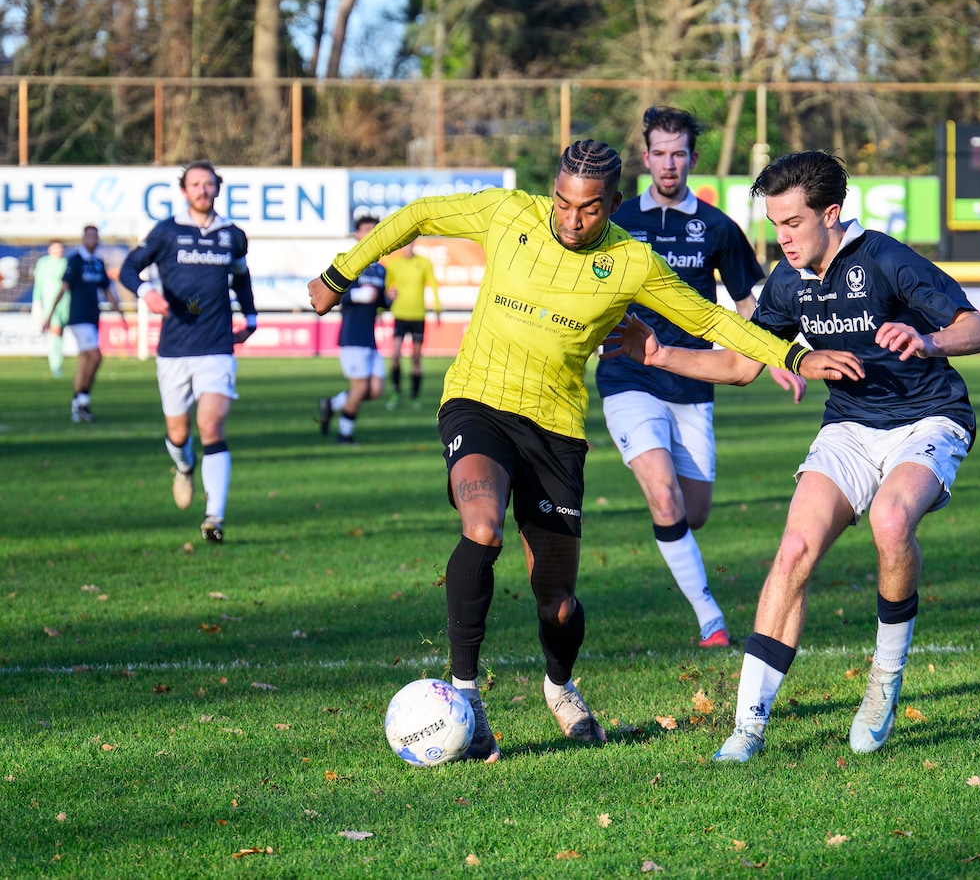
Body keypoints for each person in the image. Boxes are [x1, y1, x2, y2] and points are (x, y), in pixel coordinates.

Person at [307, 139, 861, 762]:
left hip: (555, 431)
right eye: (563, 204)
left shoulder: (632, 262)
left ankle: (560, 685)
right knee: (483, 529)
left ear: (613, 206)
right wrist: (339, 272)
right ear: (552, 193)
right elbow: (418, 215)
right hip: (477, 402)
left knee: (560, 605)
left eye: (590, 210)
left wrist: (792, 354)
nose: (572, 221)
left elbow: (714, 321)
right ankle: (466, 699)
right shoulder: (507, 213)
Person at [604, 151, 980, 763]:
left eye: (792, 223)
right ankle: (748, 726)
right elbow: (739, 364)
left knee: (892, 522)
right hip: (849, 426)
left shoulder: (887, 259)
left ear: (831, 214)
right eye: (774, 223)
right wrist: (657, 355)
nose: (780, 237)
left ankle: (883, 682)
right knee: (794, 550)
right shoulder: (787, 284)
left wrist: (927, 339)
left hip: (929, 417)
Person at [600, 106, 806, 649]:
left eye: (678, 154)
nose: (669, 164)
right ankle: (710, 617)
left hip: (695, 383)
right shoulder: (618, 224)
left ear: (692, 158)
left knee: (694, 513)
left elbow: (750, 305)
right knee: (665, 500)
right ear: (646, 158)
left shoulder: (717, 228)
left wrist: (780, 356)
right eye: (659, 154)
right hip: (629, 375)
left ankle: (679, 548)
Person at [119, 160, 257, 543]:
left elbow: (242, 279)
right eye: (195, 184)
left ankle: (214, 516)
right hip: (174, 350)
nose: (202, 190)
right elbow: (128, 270)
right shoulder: (166, 232)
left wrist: (251, 317)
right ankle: (183, 467)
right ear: (184, 190)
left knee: (211, 425)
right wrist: (147, 293)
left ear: (217, 188)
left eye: (208, 184)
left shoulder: (232, 235)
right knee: (178, 433)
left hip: (217, 346)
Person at [42, 226, 127, 422]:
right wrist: (50, 315)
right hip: (78, 317)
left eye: (95, 236)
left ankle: (78, 405)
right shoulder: (75, 260)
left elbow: (106, 290)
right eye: (89, 236)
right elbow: (63, 288)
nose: (92, 239)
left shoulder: (98, 262)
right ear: (83, 238)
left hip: (93, 316)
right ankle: (83, 398)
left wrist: (119, 311)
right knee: (95, 356)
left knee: (85, 361)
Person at [317, 215, 389, 444]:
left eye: (374, 230)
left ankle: (332, 404)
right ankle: (344, 434)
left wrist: (388, 300)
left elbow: (380, 303)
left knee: (375, 389)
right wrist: (357, 295)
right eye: (366, 229)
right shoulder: (348, 263)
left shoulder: (380, 270)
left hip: (370, 339)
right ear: (357, 234)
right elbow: (333, 296)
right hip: (352, 337)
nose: (370, 233)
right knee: (359, 388)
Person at [382, 241, 441, 409]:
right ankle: (396, 391)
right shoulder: (394, 264)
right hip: (400, 315)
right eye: (406, 245)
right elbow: (385, 289)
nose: (409, 247)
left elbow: (433, 285)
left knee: (416, 357)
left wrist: (437, 308)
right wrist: (380, 309)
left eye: (411, 244)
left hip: (418, 316)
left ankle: (414, 396)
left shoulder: (423, 263)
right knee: (394, 355)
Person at [31, 241, 68, 377]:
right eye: (56, 247)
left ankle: (60, 363)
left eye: (60, 247)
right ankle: (56, 366)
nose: (58, 250)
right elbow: (39, 283)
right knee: (55, 331)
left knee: (61, 331)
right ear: (49, 249)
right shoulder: (43, 263)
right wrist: (37, 301)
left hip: (67, 302)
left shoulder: (67, 262)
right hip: (50, 302)